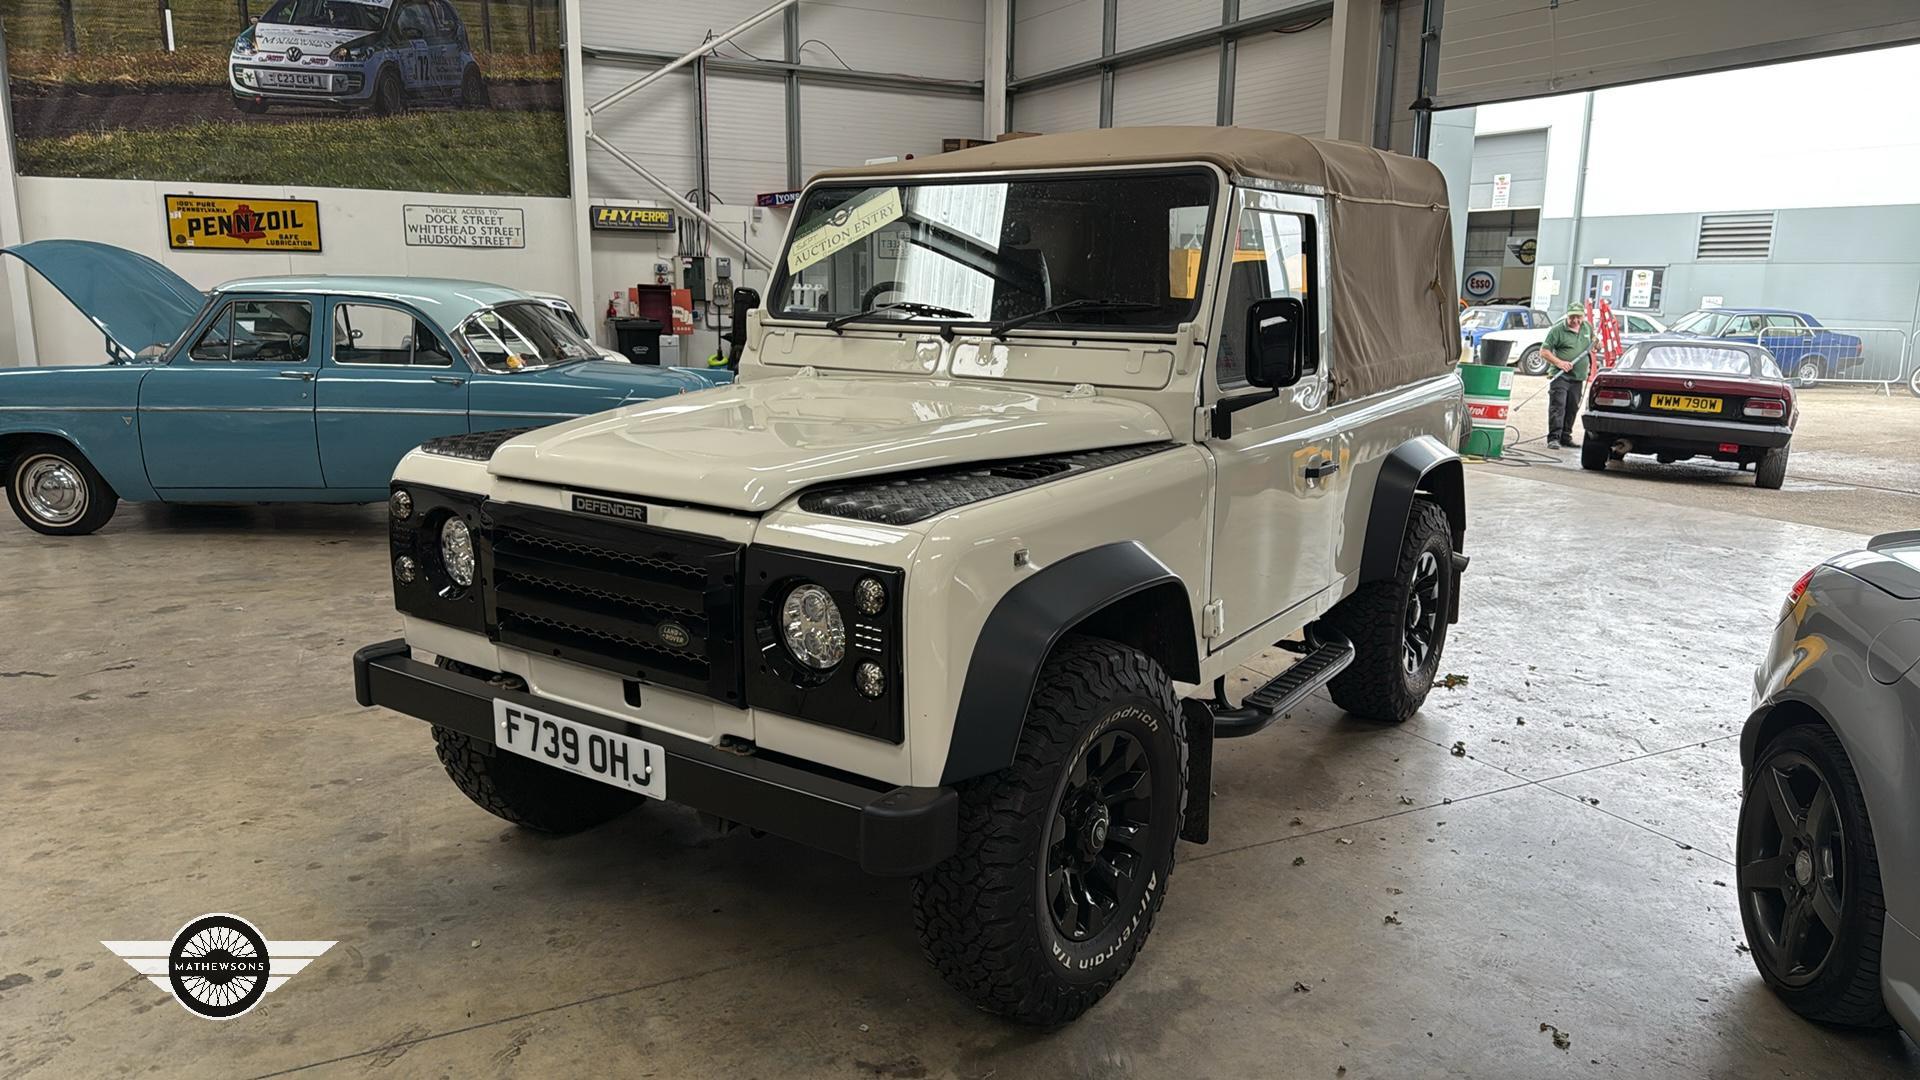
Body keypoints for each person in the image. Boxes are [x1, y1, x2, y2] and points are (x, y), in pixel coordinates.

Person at [1541, 303, 1593, 450]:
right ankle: (1554, 438)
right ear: (1567, 315)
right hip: (1561, 376)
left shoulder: (1587, 327)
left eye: (1579, 317)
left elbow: (1594, 342)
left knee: (1572, 407)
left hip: (1578, 377)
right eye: (1572, 317)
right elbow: (1544, 351)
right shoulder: (1557, 330)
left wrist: (1597, 345)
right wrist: (1560, 363)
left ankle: (1565, 436)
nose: (1576, 320)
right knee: (1558, 406)